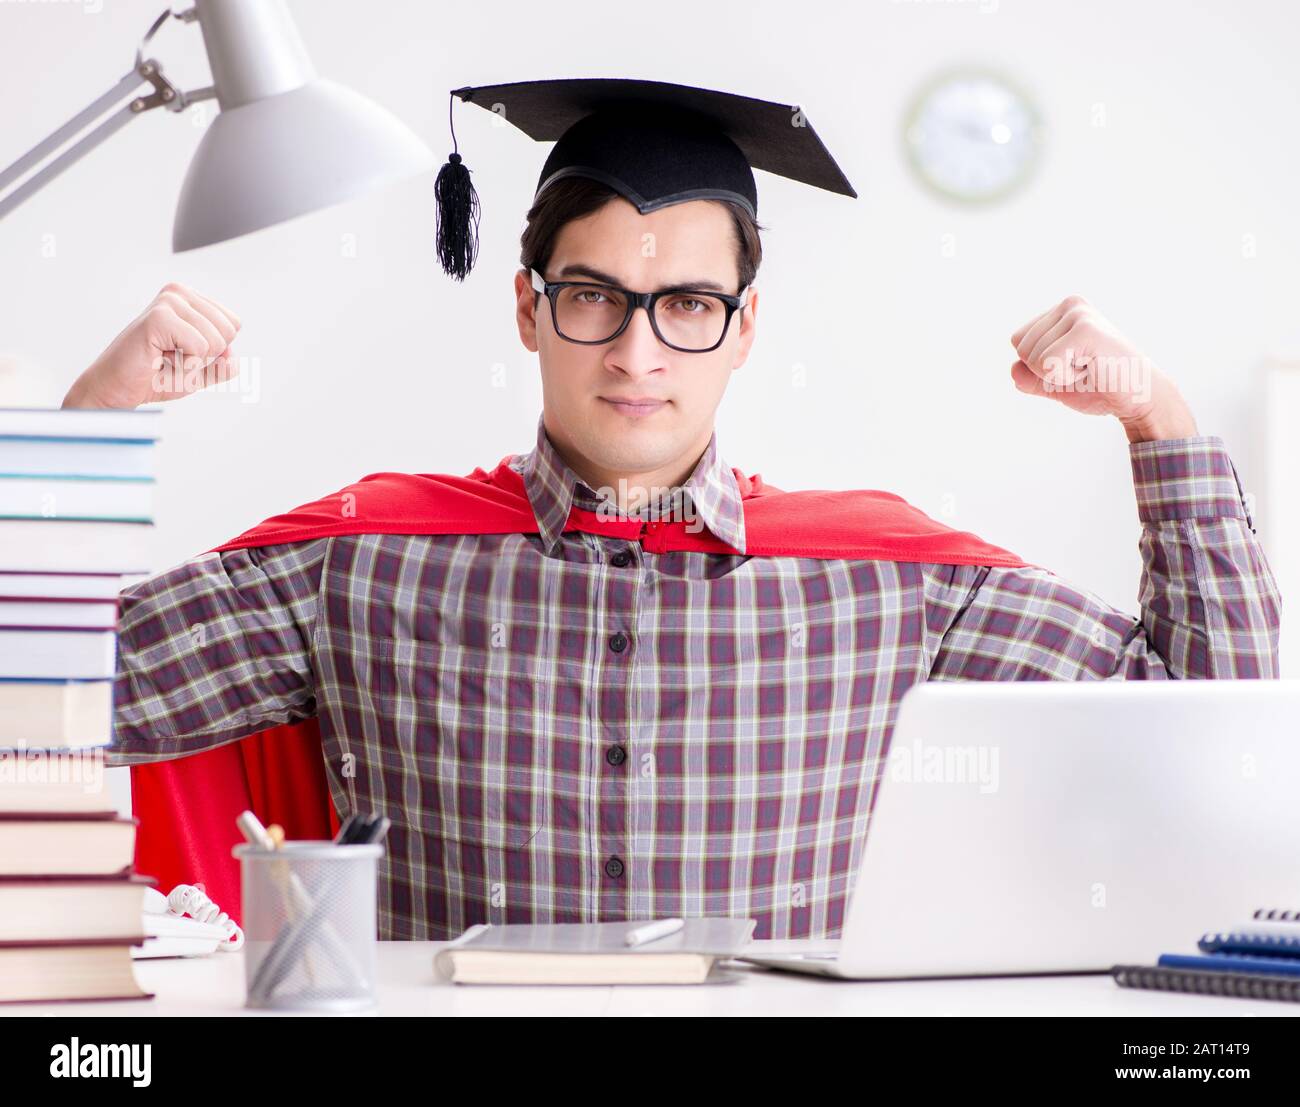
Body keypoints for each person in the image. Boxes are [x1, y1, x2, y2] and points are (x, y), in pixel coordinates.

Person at [79, 80, 1280, 941]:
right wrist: (93, 421)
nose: (638, 352)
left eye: (689, 304)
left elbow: (1207, 740)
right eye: (594, 295)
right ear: (527, 308)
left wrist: (1158, 419)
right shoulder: (358, 567)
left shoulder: (894, 583)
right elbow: (49, 704)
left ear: (744, 326)